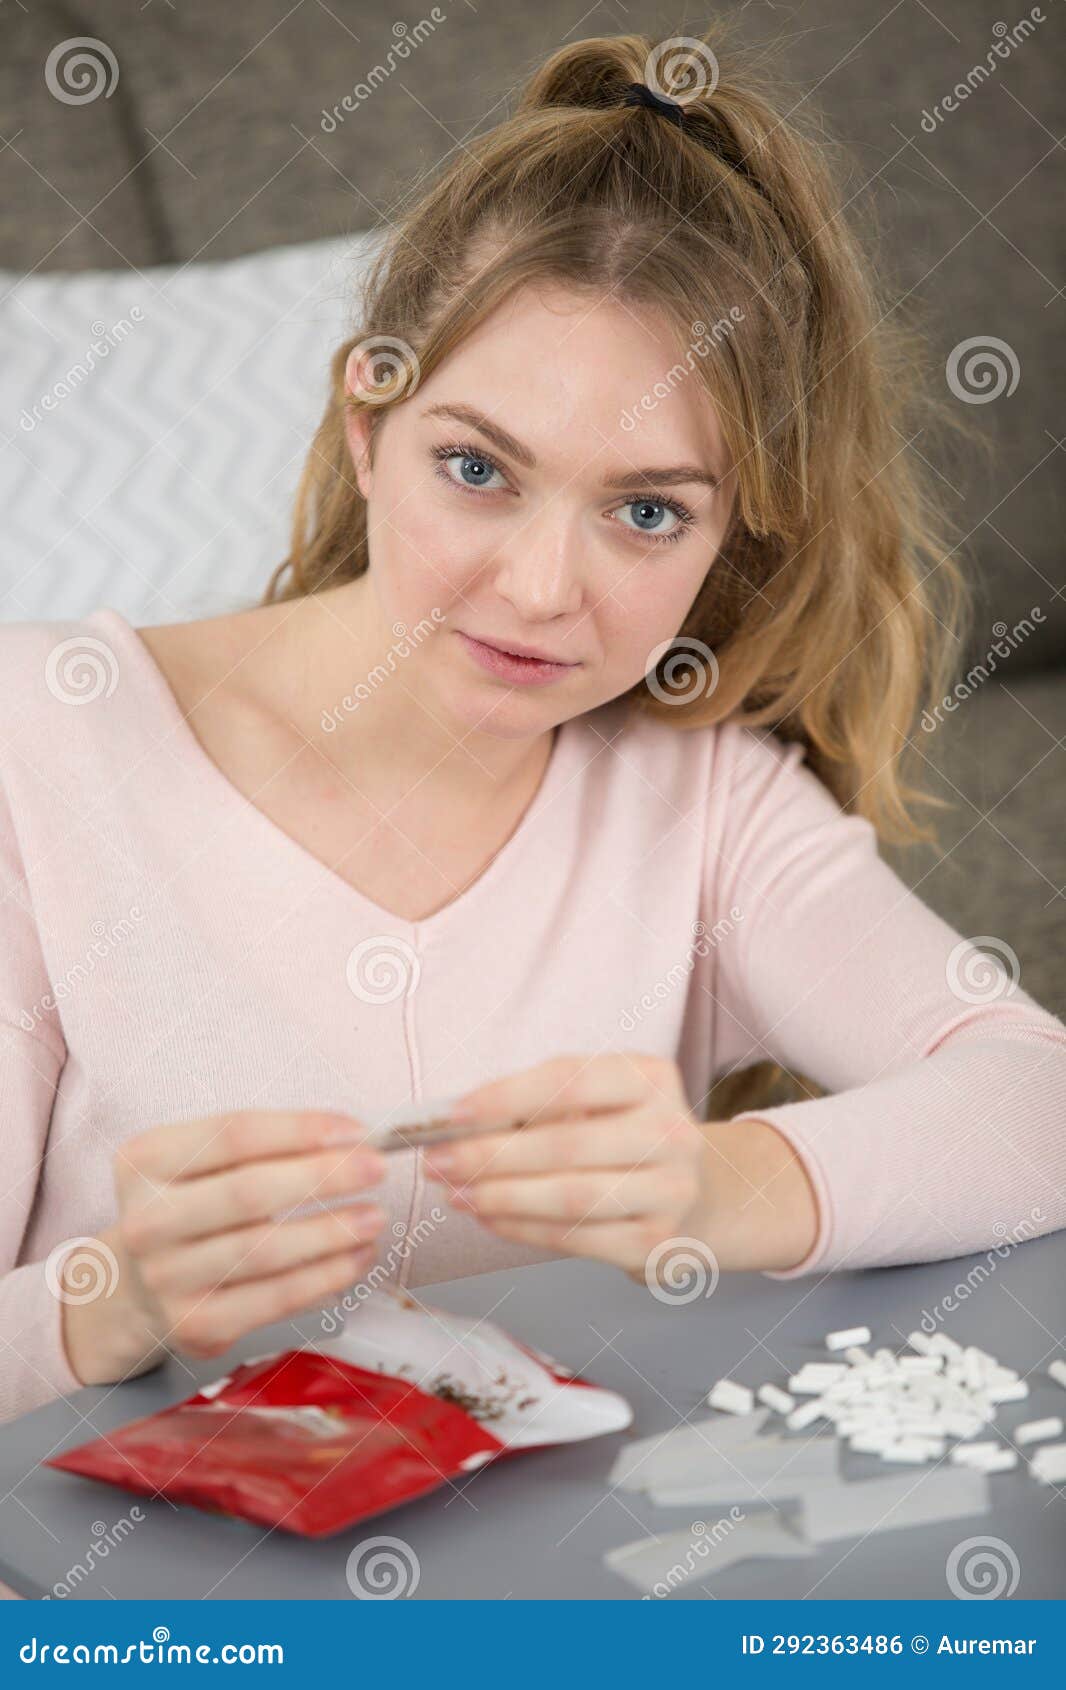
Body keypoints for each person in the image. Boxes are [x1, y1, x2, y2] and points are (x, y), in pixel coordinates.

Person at [1, 29, 1064, 1427]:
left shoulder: (704, 804)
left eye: (645, 511)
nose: (541, 590)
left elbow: (1033, 1101)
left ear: (725, 533)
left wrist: (714, 1182)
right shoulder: (43, 745)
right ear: (367, 422)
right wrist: (113, 1295)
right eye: (477, 468)